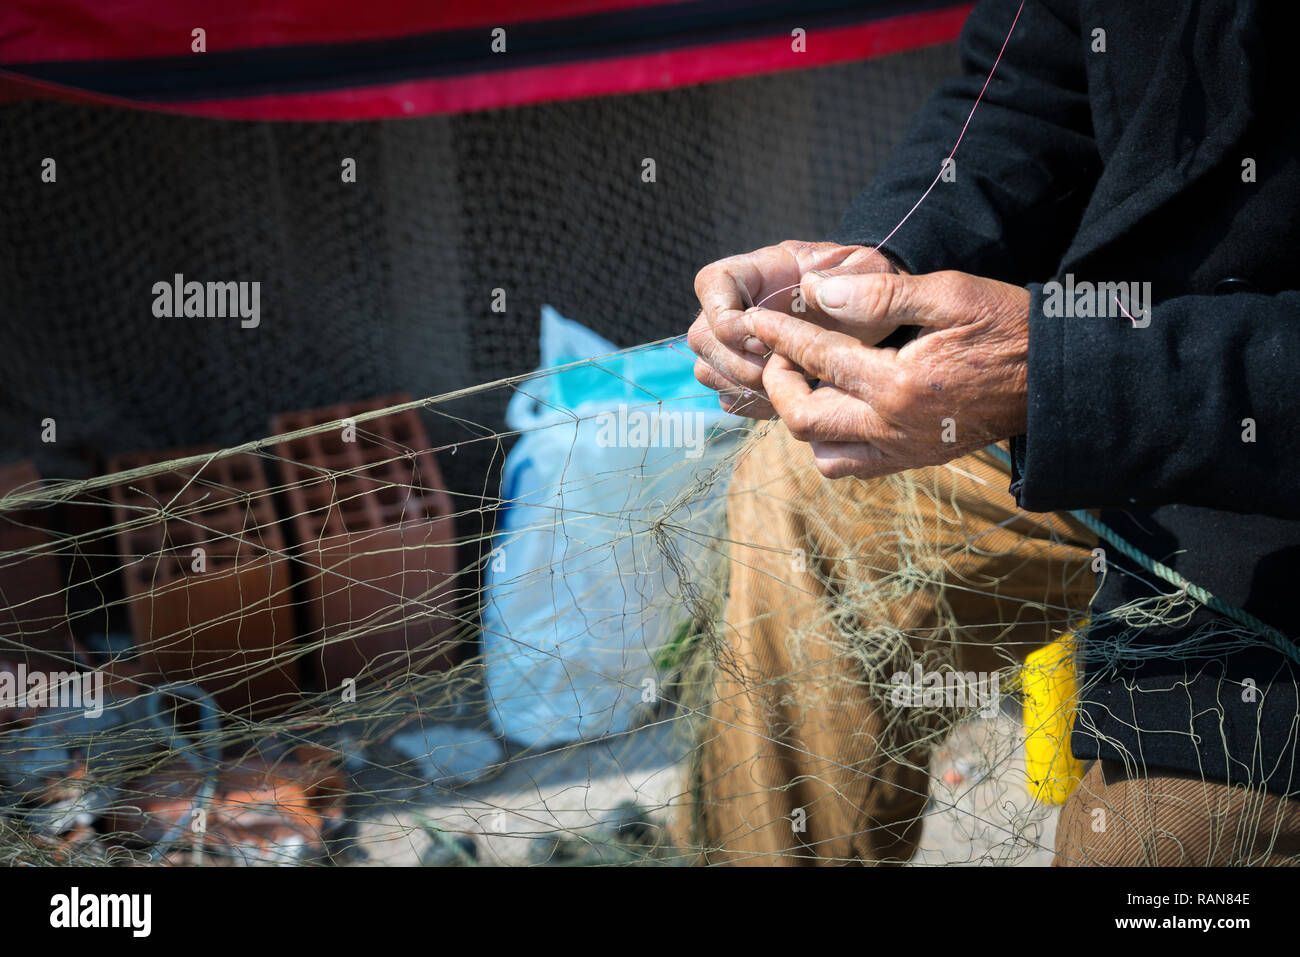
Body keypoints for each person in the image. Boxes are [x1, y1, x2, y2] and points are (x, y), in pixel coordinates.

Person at [683, 0, 1300, 865]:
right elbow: (1026, 87)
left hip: (1266, 530)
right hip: (1106, 425)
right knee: (801, 494)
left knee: (1153, 850)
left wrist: (1062, 375)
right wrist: (876, 263)